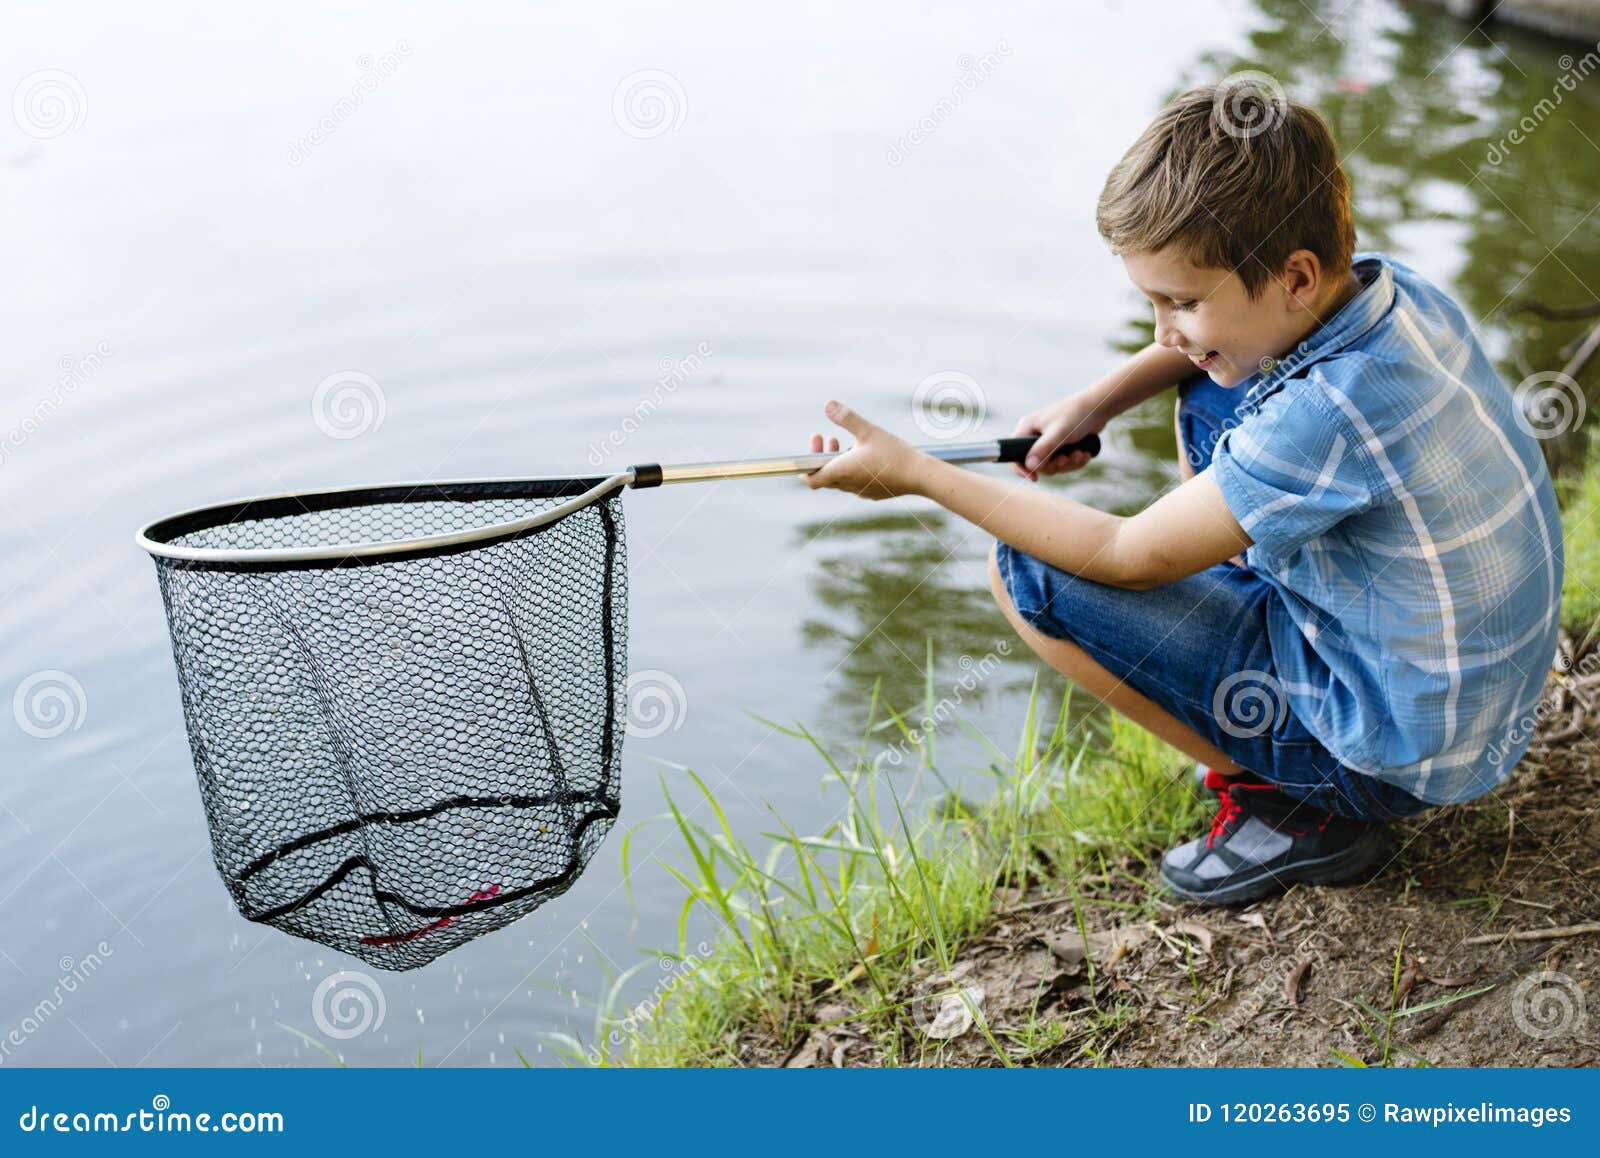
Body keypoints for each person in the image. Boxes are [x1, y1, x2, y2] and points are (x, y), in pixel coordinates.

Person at [799, 78, 1564, 907]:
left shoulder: (1324, 414)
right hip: (1472, 714)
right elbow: (1208, 352)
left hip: (1391, 758)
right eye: (1153, 302)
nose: (1164, 329)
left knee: (1023, 570)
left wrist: (919, 473)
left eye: (1183, 302)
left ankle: (1291, 800)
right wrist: (1097, 402)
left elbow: (1129, 558)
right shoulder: (1396, 293)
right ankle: (1255, 655)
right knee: (1210, 389)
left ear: (1297, 276)